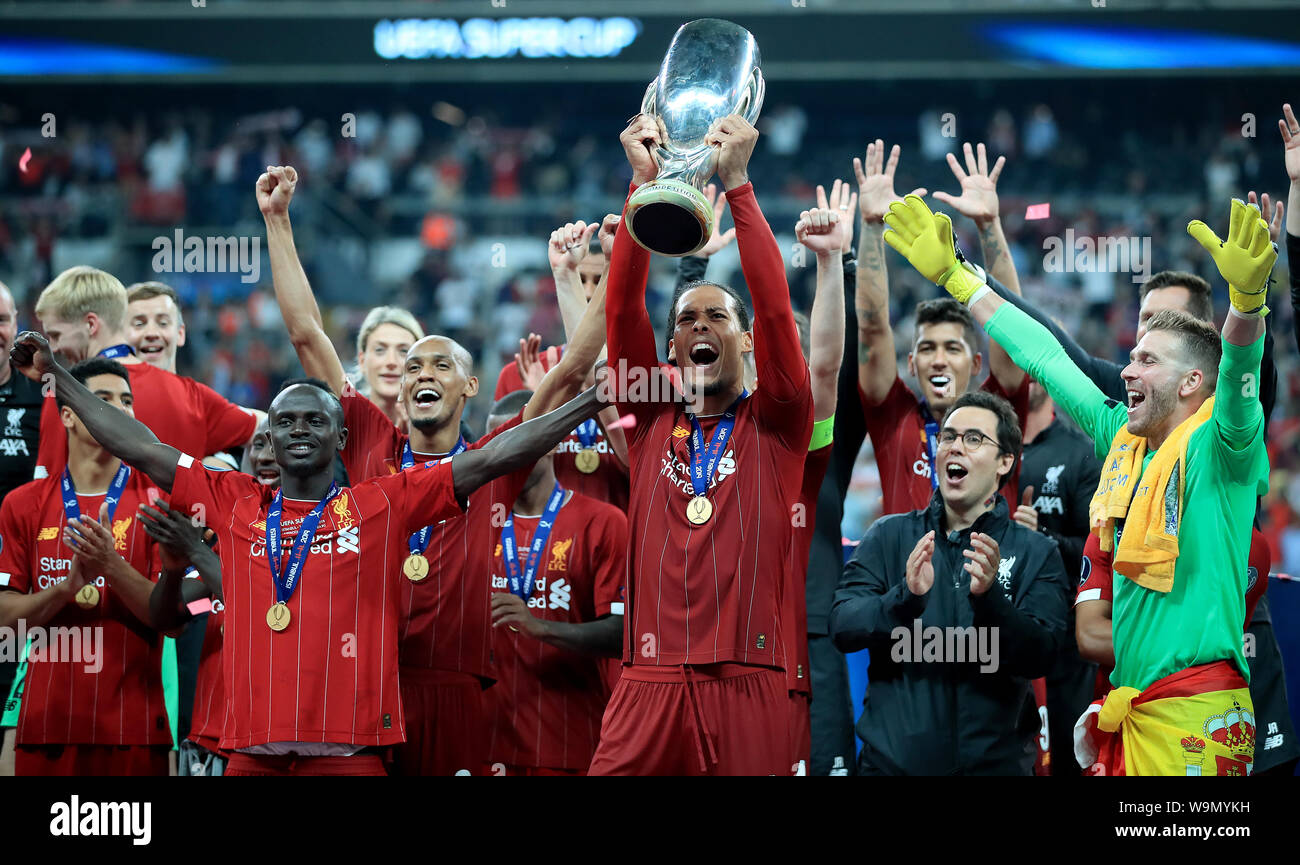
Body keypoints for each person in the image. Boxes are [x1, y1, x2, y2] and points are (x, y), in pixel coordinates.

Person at [9, 329, 605, 776]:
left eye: (312, 420)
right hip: (251, 753)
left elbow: (492, 456)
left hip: (348, 752)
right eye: (283, 421)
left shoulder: (381, 504)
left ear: (341, 437)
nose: (296, 429)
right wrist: (56, 376)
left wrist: (586, 405)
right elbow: (139, 445)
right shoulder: (232, 498)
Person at [884, 193, 1271, 775]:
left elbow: (1240, 369)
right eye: (1131, 358)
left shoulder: (1222, 446)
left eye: (1145, 361)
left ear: (1193, 380)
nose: (1127, 370)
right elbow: (1046, 355)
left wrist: (1246, 304)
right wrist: (957, 278)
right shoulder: (1122, 436)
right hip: (1135, 711)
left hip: (1198, 719)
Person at [260, 163, 613, 774]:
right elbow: (306, 335)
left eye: (441, 366)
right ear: (397, 391)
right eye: (414, 367)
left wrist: (627, 242)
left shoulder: (495, 460)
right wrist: (277, 221)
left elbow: (575, 368)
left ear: (470, 386)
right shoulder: (369, 440)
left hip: (460, 688)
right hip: (370, 681)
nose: (423, 373)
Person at [588, 113, 811, 775]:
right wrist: (642, 186)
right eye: (686, 319)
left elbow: (775, 312)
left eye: (718, 316)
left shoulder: (778, 422)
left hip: (748, 676)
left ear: (744, 341)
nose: (701, 325)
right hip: (648, 677)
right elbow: (621, 310)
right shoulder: (651, 411)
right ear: (671, 349)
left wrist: (739, 189)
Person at [831, 391, 1068, 774]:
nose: (956, 447)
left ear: (1005, 461)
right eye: (949, 437)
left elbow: (1043, 654)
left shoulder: (1035, 552)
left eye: (974, 439)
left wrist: (991, 601)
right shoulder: (889, 536)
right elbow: (843, 625)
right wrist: (904, 598)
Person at [0, 358, 171, 775]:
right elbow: (5, 624)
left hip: (135, 731)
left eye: (127, 401)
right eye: (105, 398)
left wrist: (109, 566)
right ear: (69, 415)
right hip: (45, 729)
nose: (121, 410)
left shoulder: (160, 503)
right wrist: (65, 588)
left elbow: (174, 619)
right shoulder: (21, 505)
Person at [854, 140, 1027, 517]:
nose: (938, 359)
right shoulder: (893, 416)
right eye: (927, 349)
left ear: (977, 362)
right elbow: (871, 328)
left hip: (989, 574)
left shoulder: (1002, 411)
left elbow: (1013, 326)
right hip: (904, 576)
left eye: (952, 348)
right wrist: (870, 224)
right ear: (912, 363)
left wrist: (988, 225)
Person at [483, 391, 626, 776]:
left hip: (570, 743)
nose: (506, 456)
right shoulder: (475, 527)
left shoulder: (604, 523)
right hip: (482, 744)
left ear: (551, 443)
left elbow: (621, 634)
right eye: (497, 444)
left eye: (519, 441)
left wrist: (539, 627)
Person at [136, 420, 279, 777]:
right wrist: (172, 568)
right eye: (257, 445)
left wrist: (196, 552)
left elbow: (259, 601)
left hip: (279, 747)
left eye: (276, 444)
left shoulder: (325, 532)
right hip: (210, 742)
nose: (264, 456)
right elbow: (170, 617)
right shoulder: (225, 542)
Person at [33, 266, 262, 481]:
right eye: (139, 323)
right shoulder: (196, 397)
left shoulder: (66, 392)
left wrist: (223, 464)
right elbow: (268, 426)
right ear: (122, 328)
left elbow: (47, 491)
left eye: (55, 336)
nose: (53, 349)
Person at [784, 183, 853, 774]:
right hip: (728, 643)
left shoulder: (809, 440)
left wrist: (836, 263)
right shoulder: (703, 439)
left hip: (813, 641)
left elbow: (829, 364)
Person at [1018, 376, 1102, 775]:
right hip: (1002, 640)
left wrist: (1041, 537)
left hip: (1065, 645)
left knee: (1067, 764)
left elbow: (1098, 550)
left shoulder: (1080, 452)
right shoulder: (986, 442)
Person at [0, 279, 43, 733]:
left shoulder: (42, 396)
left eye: (1, 319)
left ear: (15, 325)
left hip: (17, 576)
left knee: (13, 698)